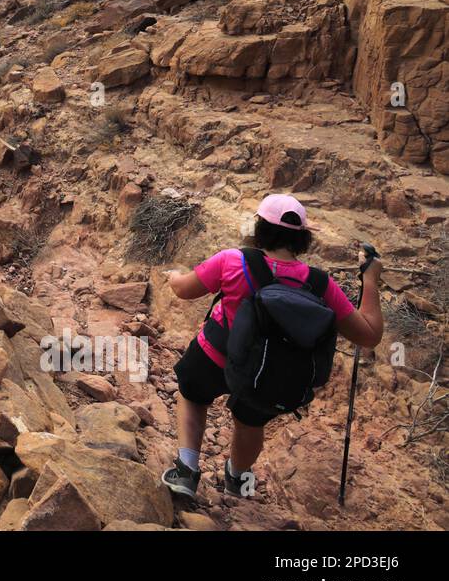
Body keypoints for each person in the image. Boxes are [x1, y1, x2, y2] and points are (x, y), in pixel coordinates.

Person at [161, 194, 384, 499]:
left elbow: (184, 290)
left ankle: (186, 471)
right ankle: (238, 480)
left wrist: (174, 276)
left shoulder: (232, 260)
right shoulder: (320, 284)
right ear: (303, 238)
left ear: (260, 228)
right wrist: (371, 280)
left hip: (215, 356)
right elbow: (369, 335)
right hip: (267, 373)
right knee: (251, 420)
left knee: (193, 394)